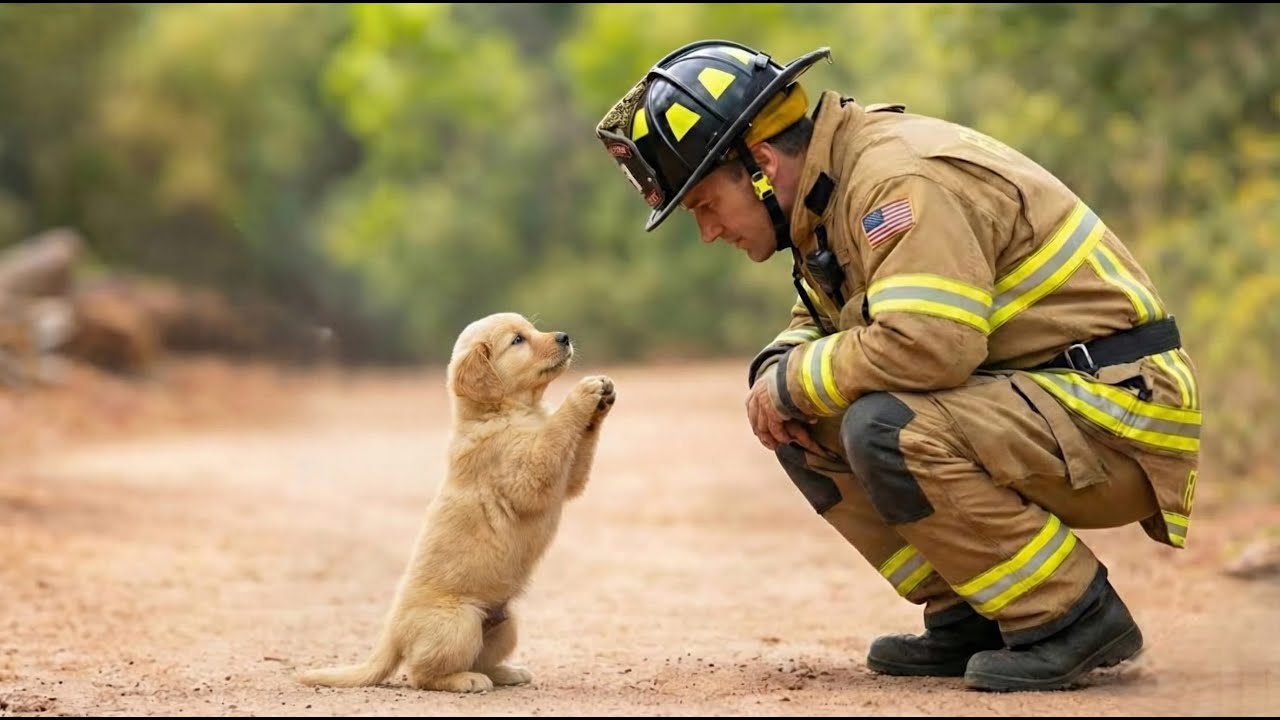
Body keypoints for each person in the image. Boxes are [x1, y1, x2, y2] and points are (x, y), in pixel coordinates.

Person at [594, 39, 1202, 692]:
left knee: (881, 425)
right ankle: (972, 610)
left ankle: (1072, 614)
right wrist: (776, 371)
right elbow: (837, 319)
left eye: (706, 205)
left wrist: (791, 382)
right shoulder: (832, 192)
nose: (709, 231)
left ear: (762, 164)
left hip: (1118, 411)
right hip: (1049, 403)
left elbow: (930, 344)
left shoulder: (895, 181)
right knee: (799, 417)